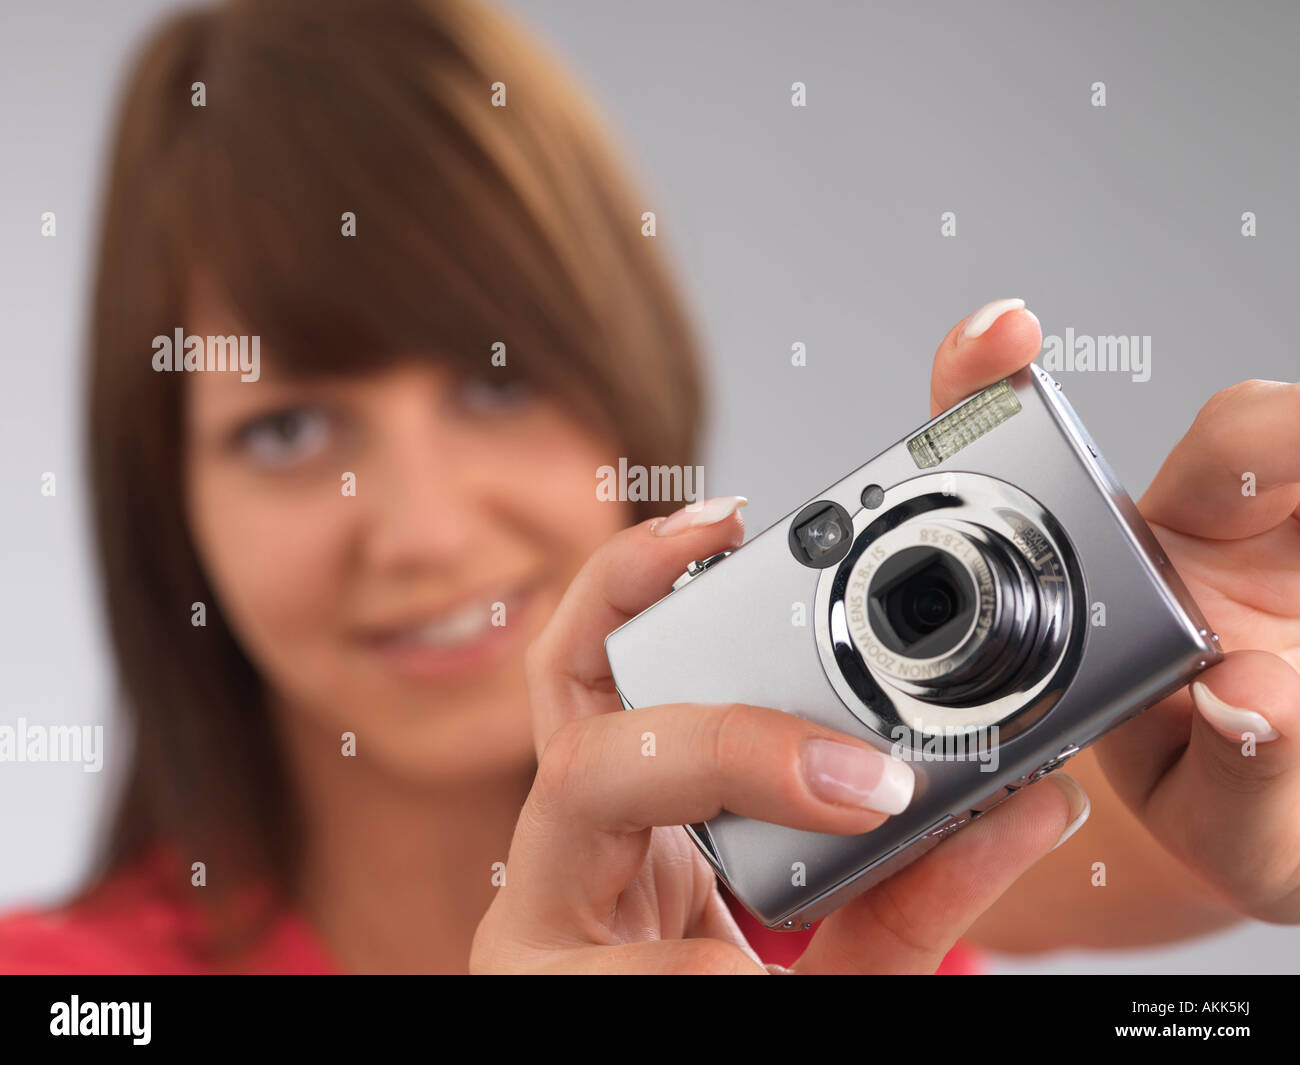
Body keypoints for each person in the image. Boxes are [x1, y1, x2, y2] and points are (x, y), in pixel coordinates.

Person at [2, 0, 1296, 975]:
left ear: (633, 386)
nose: (424, 528)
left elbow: (1208, 819)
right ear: (163, 494)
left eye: (499, 385)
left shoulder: (875, 838)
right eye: (285, 429)